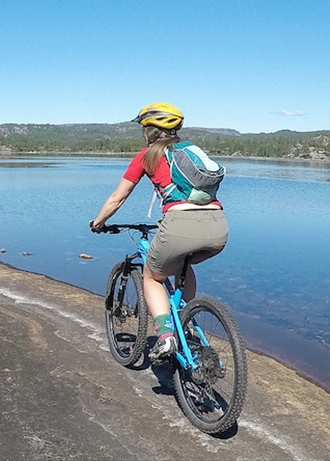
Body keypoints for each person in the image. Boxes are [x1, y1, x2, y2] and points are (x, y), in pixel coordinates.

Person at [90, 102, 228, 362]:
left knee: (151, 277)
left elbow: (116, 199)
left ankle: (166, 337)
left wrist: (98, 222)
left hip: (179, 225)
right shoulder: (189, 151)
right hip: (218, 225)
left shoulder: (147, 156)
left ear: (148, 130)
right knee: (183, 266)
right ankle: (185, 320)